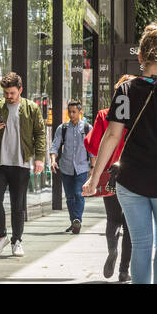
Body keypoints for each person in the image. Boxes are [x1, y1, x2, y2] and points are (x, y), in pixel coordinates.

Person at [84, 24, 157, 285]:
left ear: (140, 58)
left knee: (141, 244)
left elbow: (111, 136)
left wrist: (94, 179)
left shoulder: (124, 91)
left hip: (131, 180)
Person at [0, 71, 47, 257]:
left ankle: (17, 240)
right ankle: (1, 237)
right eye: (6, 93)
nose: (8, 97)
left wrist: (40, 158)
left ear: (20, 90)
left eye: (12, 93)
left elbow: (40, 134)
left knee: (18, 205)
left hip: (21, 163)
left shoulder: (31, 108)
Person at [85, 75, 133, 282]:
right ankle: (124, 270)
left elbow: (93, 144)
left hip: (109, 175)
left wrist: (94, 171)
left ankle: (112, 249)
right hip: (134, 174)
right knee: (131, 223)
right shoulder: (139, 117)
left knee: (113, 218)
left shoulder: (104, 115)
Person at [50, 100, 92, 234]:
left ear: (80, 112)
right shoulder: (62, 128)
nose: (71, 114)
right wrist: (53, 160)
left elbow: (92, 149)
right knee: (69, 197)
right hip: (66, 167)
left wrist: (93, 167)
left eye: (74, 112)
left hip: (82, 167)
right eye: (70, 112)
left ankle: (77, 220)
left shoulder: (87, 128)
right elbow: (55, 146)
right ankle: (73, 222)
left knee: (78, 194)